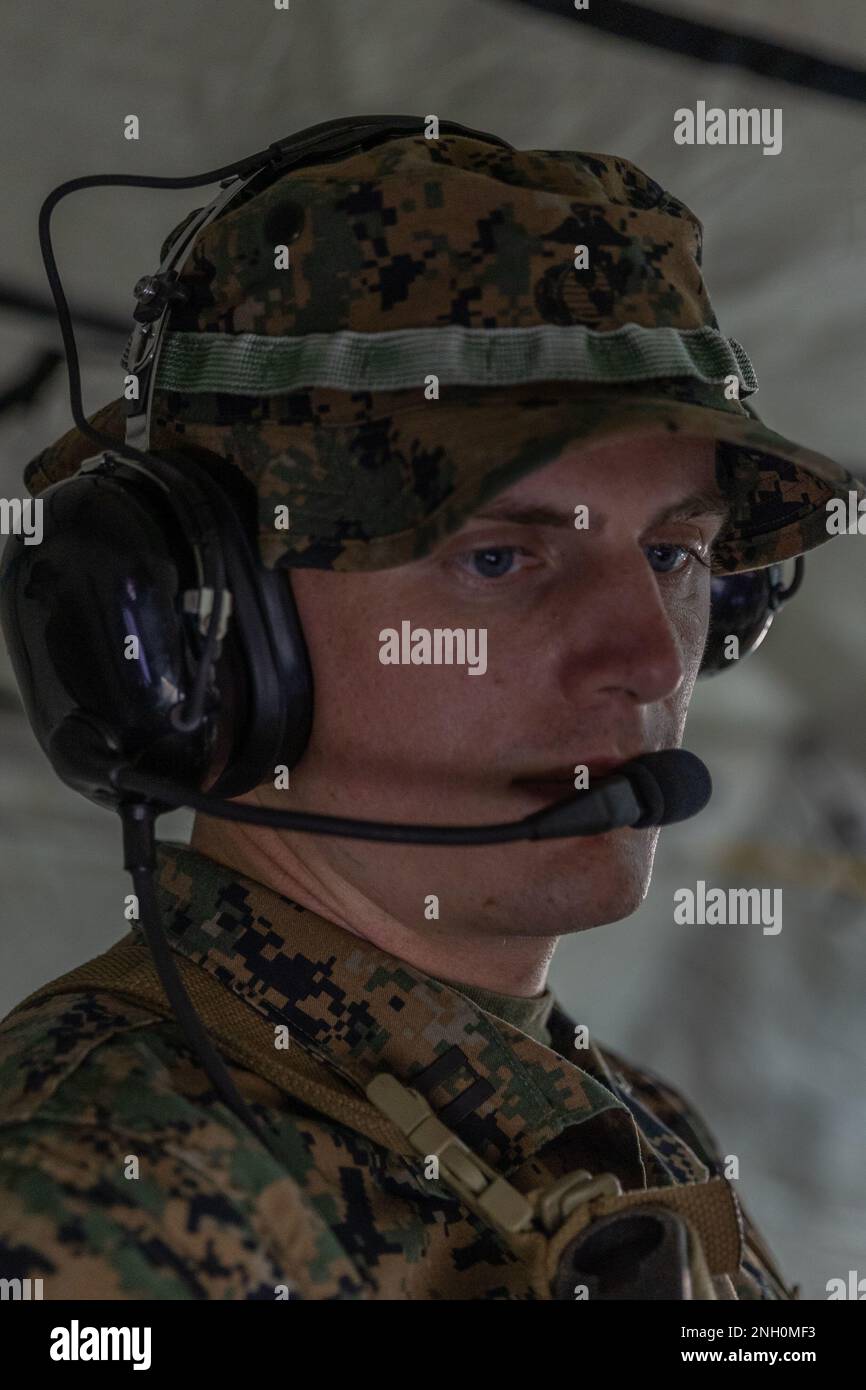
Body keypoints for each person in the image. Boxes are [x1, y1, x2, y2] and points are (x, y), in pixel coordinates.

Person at [1, 126, 861, 1301]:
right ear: (210, 630)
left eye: (673, 552)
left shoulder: (638, 1136)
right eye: (499, 559)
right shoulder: (91, 1205)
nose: (649, 659)